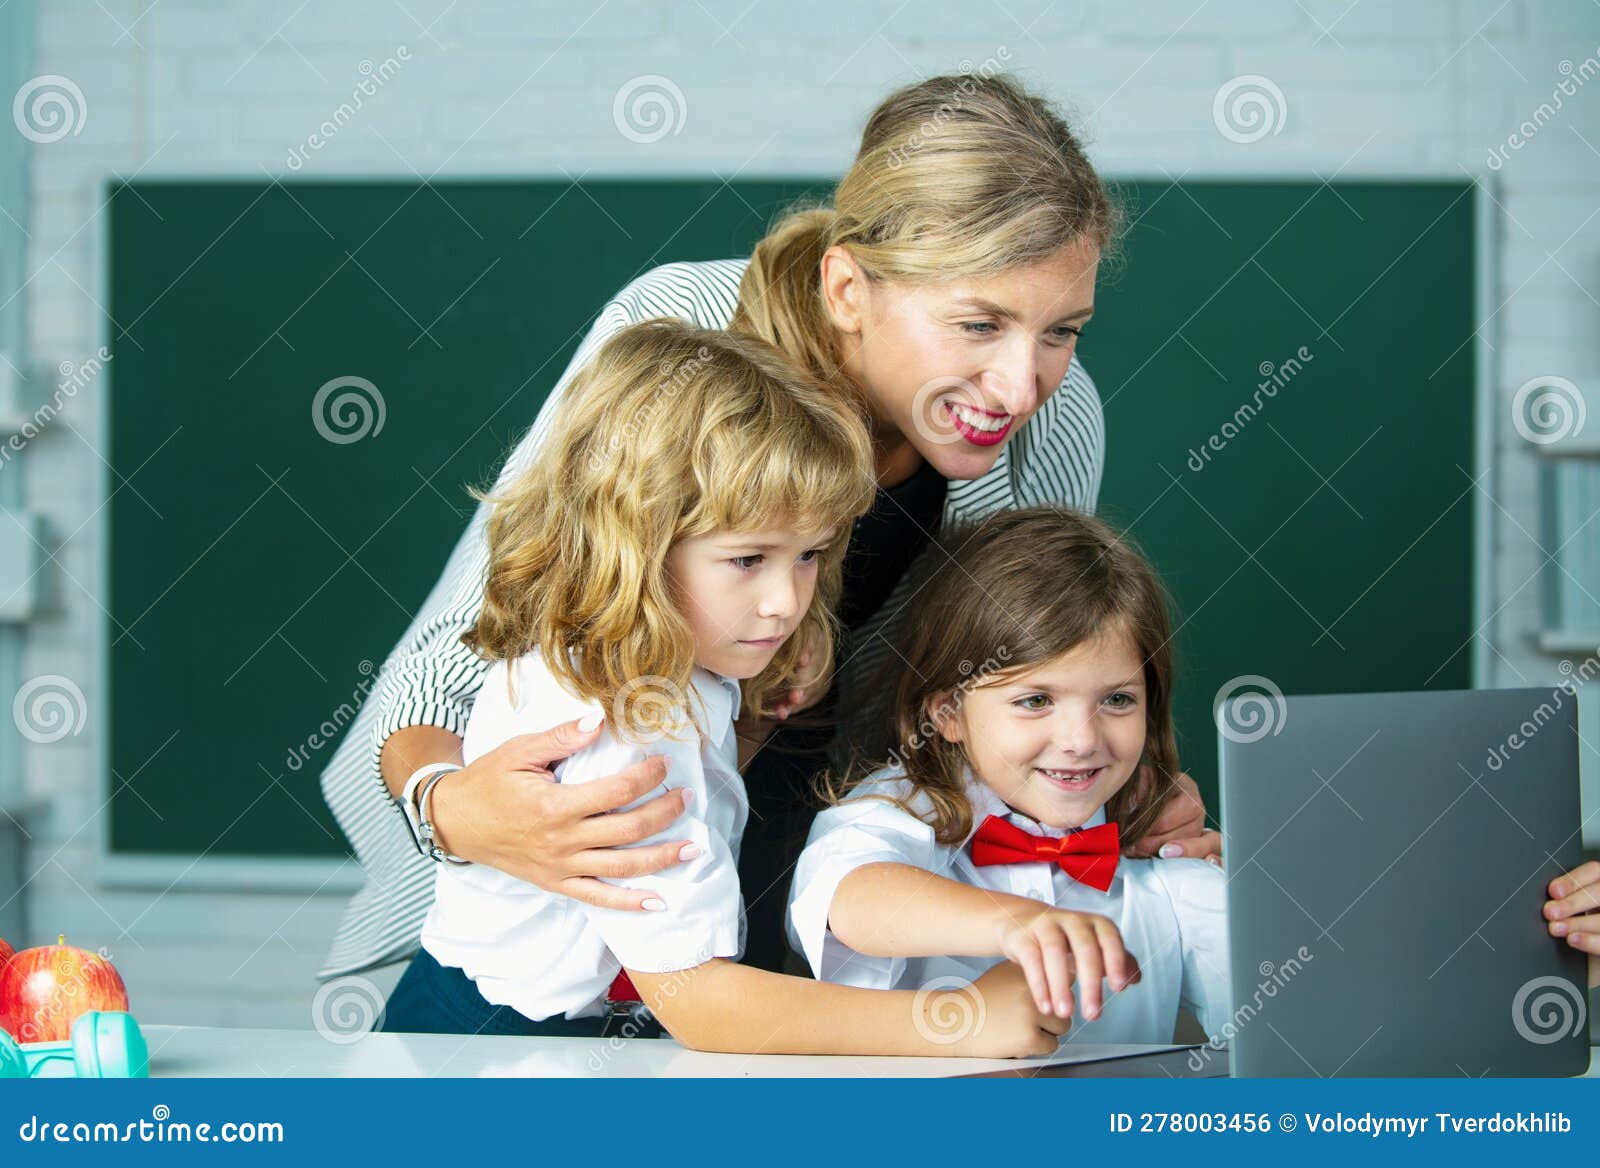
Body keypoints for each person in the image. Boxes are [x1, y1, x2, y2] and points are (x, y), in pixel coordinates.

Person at [319, 72, 1219, 991]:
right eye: (978, 323)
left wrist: (1120, 796)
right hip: (547, 929)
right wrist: (454, 811)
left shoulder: (1057, 427)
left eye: (1061, 331)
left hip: (809, 935)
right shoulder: (683, 330)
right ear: (847, 288)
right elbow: (466, 648)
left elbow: (1001, 705)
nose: (1022, 386)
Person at [381, 320, 1067, 1057]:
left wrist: (746, 729)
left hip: (567, 1034)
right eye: (747, 560)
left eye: (809, 555)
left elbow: (685, 824)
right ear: (637, 539)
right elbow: (698, 1002)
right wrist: (959, 1023)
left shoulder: (655, 666)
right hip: (495, 1044)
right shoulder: (622, 724)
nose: (787, 601)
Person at [788, 506, 1230, 1044]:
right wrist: (1017, 921)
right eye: (1036, 700)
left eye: (1117, 699)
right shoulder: (905, 808)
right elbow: (846, 896)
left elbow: (1306, 1036)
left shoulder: (1163, 859)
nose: (1081, 739)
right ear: (948, 712)